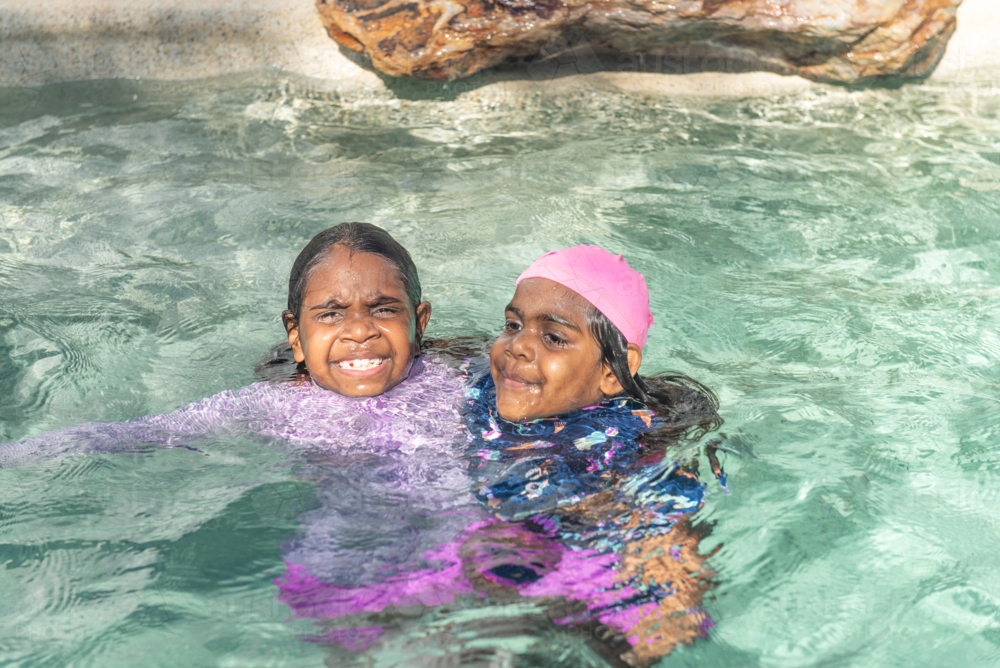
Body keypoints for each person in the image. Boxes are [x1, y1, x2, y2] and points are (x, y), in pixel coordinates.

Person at [282, 246, 725, 667]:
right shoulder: (480, 387)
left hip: (561, 565)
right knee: (328, 598)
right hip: (485, 547)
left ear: (615, 370)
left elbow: (672, 598)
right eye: (513, 325)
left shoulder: (636, 448)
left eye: (552, 337)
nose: (518, 346)